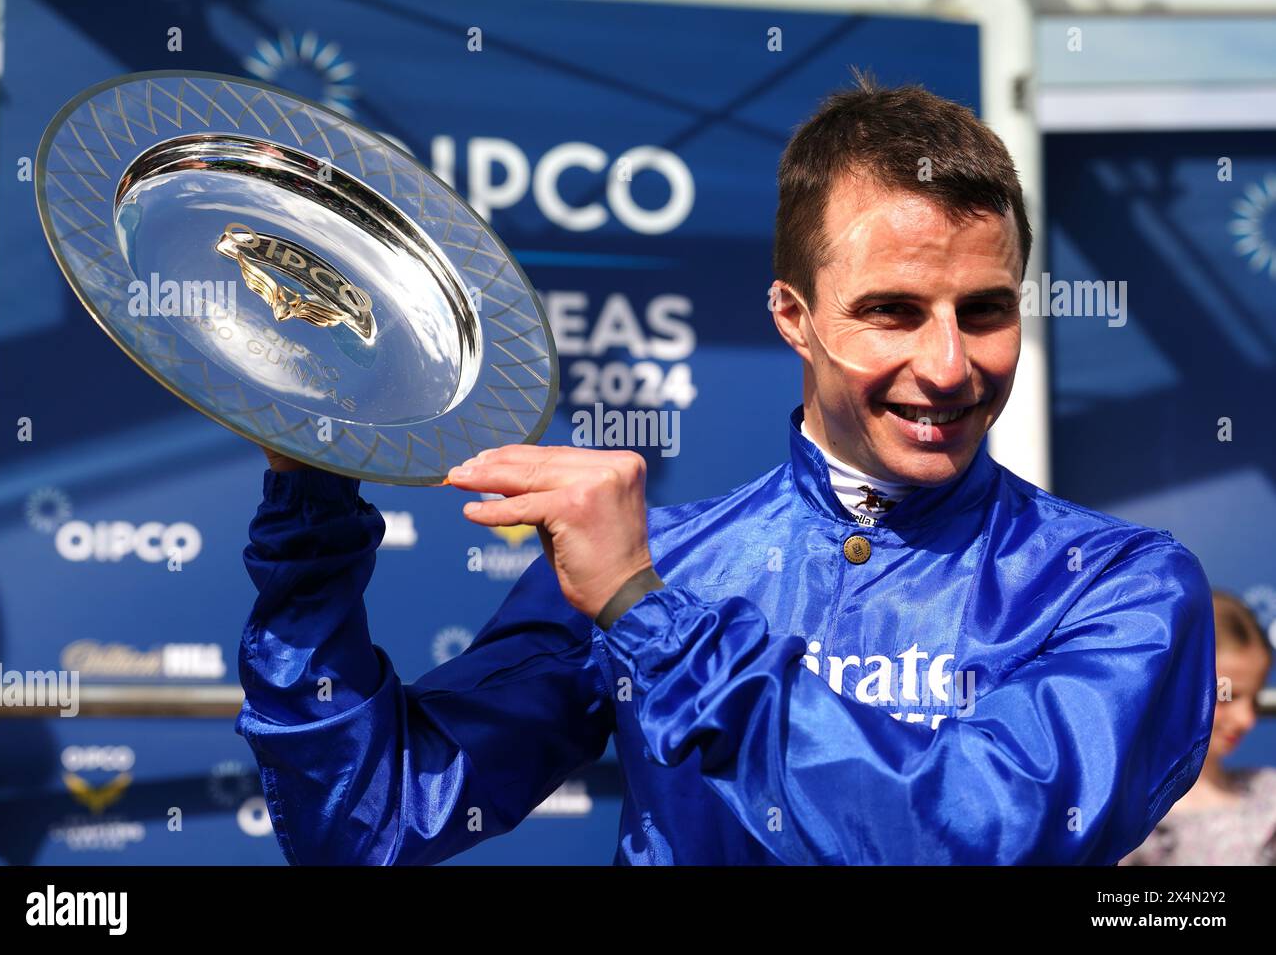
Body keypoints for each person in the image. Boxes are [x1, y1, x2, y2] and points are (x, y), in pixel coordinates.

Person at [236, 72, 1216, 865]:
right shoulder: (655, 563)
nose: (951, 365)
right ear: (793, 316)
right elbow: (369, 824)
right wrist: (312, 495)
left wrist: (648, 619)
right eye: (893, 311)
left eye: (986, 310)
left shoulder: (1120, 584)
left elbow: (977, 834)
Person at [1120, 592, 1275, 865]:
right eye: (1228, 696)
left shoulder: (1268, 796)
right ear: (1174, 683)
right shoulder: (1124, 817)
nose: (1246, 719)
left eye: (1254, 699)